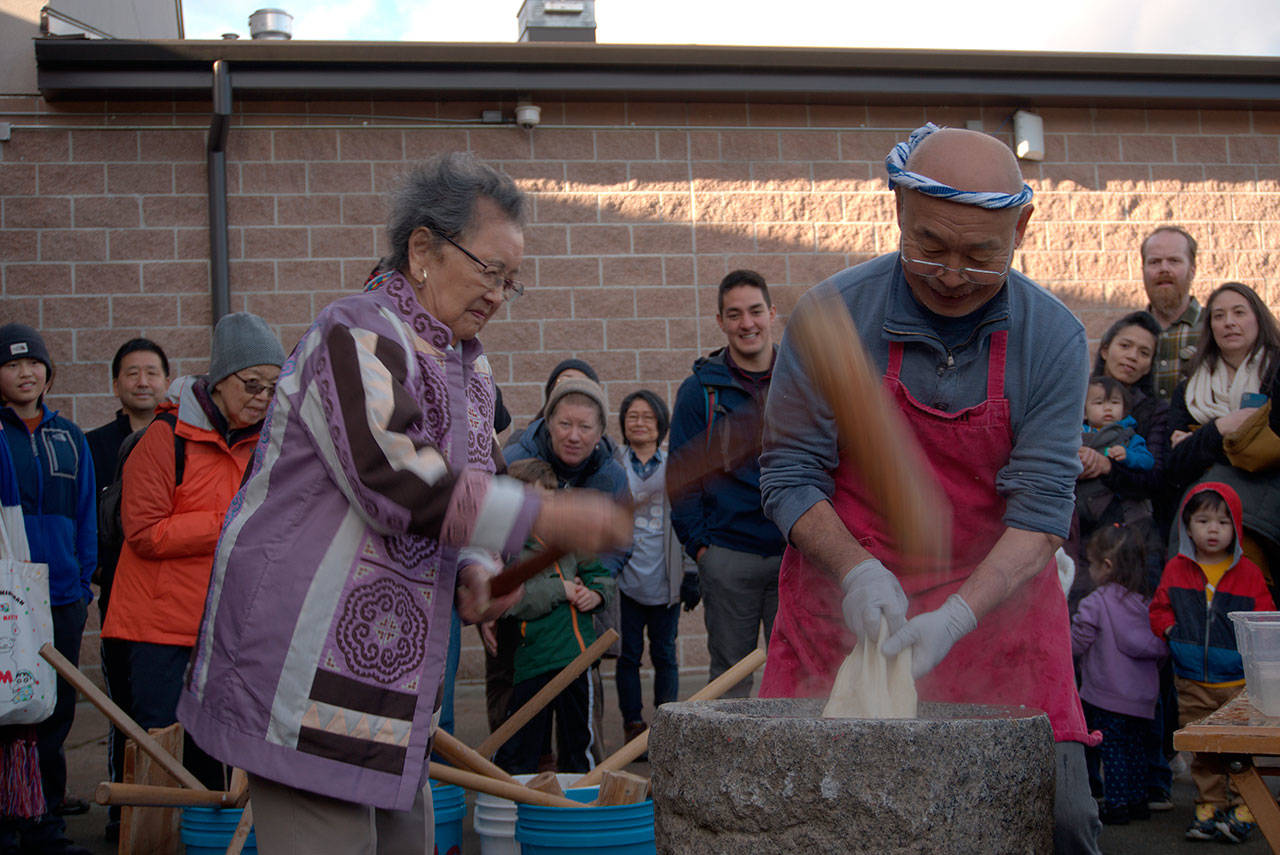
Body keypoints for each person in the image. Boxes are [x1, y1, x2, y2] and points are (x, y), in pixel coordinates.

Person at [175, 153, 630, 855]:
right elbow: (396, 479)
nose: (501, 295)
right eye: (490, 271)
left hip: (391, 676)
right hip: (304, 648)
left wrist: (480, 566)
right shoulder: (354, 332)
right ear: (423, 247)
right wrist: (547, 514)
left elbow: (472, 474)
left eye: (513, 281)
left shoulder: (472, 367)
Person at [757, 125, 1100, 853]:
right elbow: (788, 476)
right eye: (930, 245)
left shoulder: (1054, 339)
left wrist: (954, 618)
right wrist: (855, 569)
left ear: (1023, 226)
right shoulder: (831, 319)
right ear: (898, 210)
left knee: (1055, 820)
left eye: (981, 255)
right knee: (808, 824)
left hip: (998, 613)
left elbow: (1041, 516)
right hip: (842, 607)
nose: (951, 273)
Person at [101, 313, 285, 789]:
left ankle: (205, 837)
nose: (262, 399)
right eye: (251, 385)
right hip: (157, 627)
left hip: (222, 625)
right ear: (221, 379)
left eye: (272, 388)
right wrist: (229, 521)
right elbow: (144, 531)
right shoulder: (165, 439)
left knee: (211, 751)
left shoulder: (263, 444)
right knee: (157, 747)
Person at [0, 323, 96, 855]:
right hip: (5, 599)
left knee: (54, 712)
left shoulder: (69, 436)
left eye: (33, 364)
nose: (25, 373)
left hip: (60, 595)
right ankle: (6, 824)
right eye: (12, 365)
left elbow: (85, 515)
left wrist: (81, 581)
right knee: (5, 710)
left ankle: (46, 824)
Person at [667, 269, 786, 698]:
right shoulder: (699, 391)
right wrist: (703, 549)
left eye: (755, 311)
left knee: (795, 681)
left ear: (772, 312)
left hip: (795, 556)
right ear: (720, 322)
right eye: (734, 315)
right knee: (729, 683)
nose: (747, 323)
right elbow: (680, 478)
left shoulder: (801, 380)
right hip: (727, 557)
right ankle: (730, 767)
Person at [504, 375, 630, 764]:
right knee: (521, 729)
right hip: (529, 647)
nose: (574, 435)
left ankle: (580, 802)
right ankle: (521, 796)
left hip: (576, 641)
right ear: (547, 422)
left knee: (580, 726)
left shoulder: (610, 474)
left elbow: (613, 550)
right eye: (564, 424)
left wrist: (595, 589)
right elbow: (495, 553)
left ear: (599, 433)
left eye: (585, 427)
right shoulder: (514, 465)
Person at [1150, 482, 1274, 843]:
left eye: (1223, 521)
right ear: (1187, 527)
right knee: (1202, 748)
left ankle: (1244, 807)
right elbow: (1158, 609)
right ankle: (1208, 804)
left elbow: (1265, 619)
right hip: (1190, 680)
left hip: (1237, 683)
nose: (1213, 529)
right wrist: (1170, 631)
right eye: (1203, 520)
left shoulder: (1248, 573)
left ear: (1236, 526)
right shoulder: (1176, 568)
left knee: (1241, 748)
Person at [1088, 309, 1177, 811]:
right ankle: (1096, 772)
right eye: (1126, 346)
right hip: (1085, 540)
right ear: (1107, 347)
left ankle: (1154, 775)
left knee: (1145, 652)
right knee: (1092, 646)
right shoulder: (1082, 396)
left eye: (1144, 352)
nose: (1133, 357)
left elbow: (1157, 474)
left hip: (1138, 542)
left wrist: (1107, 465)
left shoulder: (1154, 412)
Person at [84, 337, 171, 839]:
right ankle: (123, 805)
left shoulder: (178, 437)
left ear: (165, 380)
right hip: (120, 592)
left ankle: (176, 806)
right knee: (126, 705)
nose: (142, 381)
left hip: (171, 597)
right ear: (116, 384)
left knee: (167, 709)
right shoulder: (93, 444)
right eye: (132, 373)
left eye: (152, 372)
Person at [493, 458, 615, 774]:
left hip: (578, 659)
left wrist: (595, 594)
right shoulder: (509, 549)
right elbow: (513, 600)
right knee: (523, 743)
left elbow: (599, 573)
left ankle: (578, 803)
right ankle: (514, 802)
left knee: (579, 742)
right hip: (534, 661)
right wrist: (561, 589)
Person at [1165, 282, 1280, 591]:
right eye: (1218, 315)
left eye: (1239, 312)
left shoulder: (1276, 375)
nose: (1228, 322)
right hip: (1202, 521)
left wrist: (1196, 440)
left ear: (1258, 318)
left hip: (1266, 517)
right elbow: (1174, 465)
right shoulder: (1190, 389)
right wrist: (1221, 428)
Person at [613, 390, 696, 745]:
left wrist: (692, 570)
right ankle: (633, 724)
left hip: (666, 576)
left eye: (648, 417)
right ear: (623, 423)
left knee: (664, 652)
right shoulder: (613, 464)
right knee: (628, 655)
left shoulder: (675, 465)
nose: (640, 423)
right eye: (633, 416)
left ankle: (666, 724)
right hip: (624, 578)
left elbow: (690, 516)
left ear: (661, 424)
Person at [1071, 524, 1167, 826]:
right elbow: (1160, 648)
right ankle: (1138, 801)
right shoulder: (1146, 605)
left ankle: (1115, 805)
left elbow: (1078, 643)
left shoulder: (1095, 603)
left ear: (1107, 566)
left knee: (1111, 752)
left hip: (1106, 695)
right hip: (1142, 699)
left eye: (1092, 563)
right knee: (1136, 749)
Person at [1076, 376, 1155, 533]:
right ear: (1084, 412)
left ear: (1124, 410)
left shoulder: (1128, 436)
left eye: (1114, 402)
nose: (1108, 408)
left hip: (1117, 510)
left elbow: (1147, 461)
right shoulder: (1076, 436)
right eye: (1099, 403)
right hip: (1082, 507)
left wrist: (1128, 455)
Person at [1141, 226, 1203, 400]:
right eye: (1154, 262)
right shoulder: (1128, 334)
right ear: (1143, 270)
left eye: (1174, 261)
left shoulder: (1216, 328)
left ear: (1192, 270)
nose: (1164, 269)